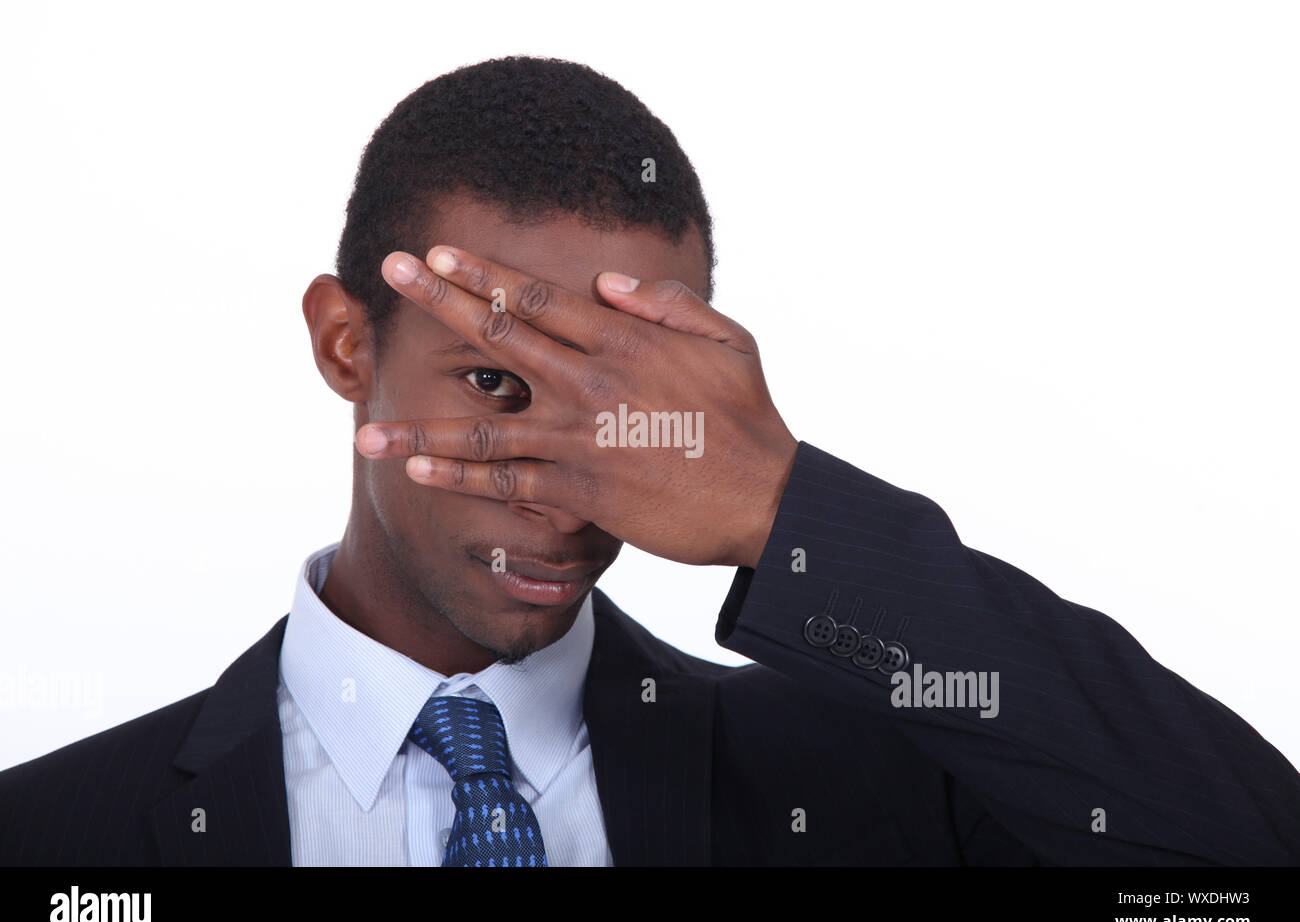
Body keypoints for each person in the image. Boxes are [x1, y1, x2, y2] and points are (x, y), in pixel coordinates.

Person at [2, 55, 1296, 867]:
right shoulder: (53, 838)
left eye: (634, 406)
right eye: (501, 385)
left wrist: (790, 512)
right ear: (348, 349)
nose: (573, 479)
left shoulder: (871, 792)